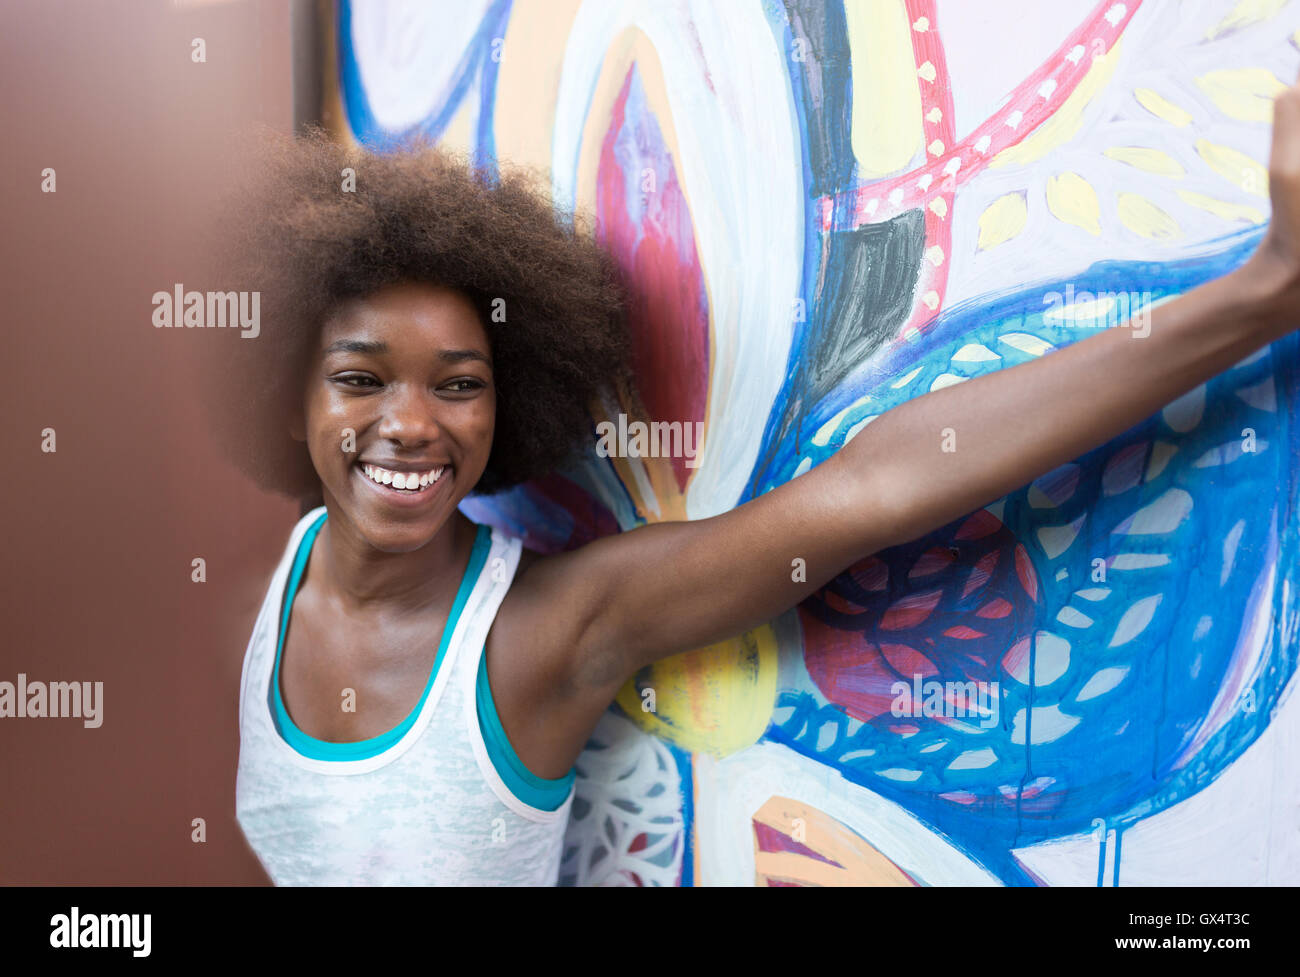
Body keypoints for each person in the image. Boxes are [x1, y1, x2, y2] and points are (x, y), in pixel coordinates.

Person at [220, 74, 1300, 884]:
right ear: (289, 394)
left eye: (458, 385)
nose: (409, 423)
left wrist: (1264, 292)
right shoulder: (287, 570)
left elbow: (875, 488)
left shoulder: (541, 633)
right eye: (361, 378)